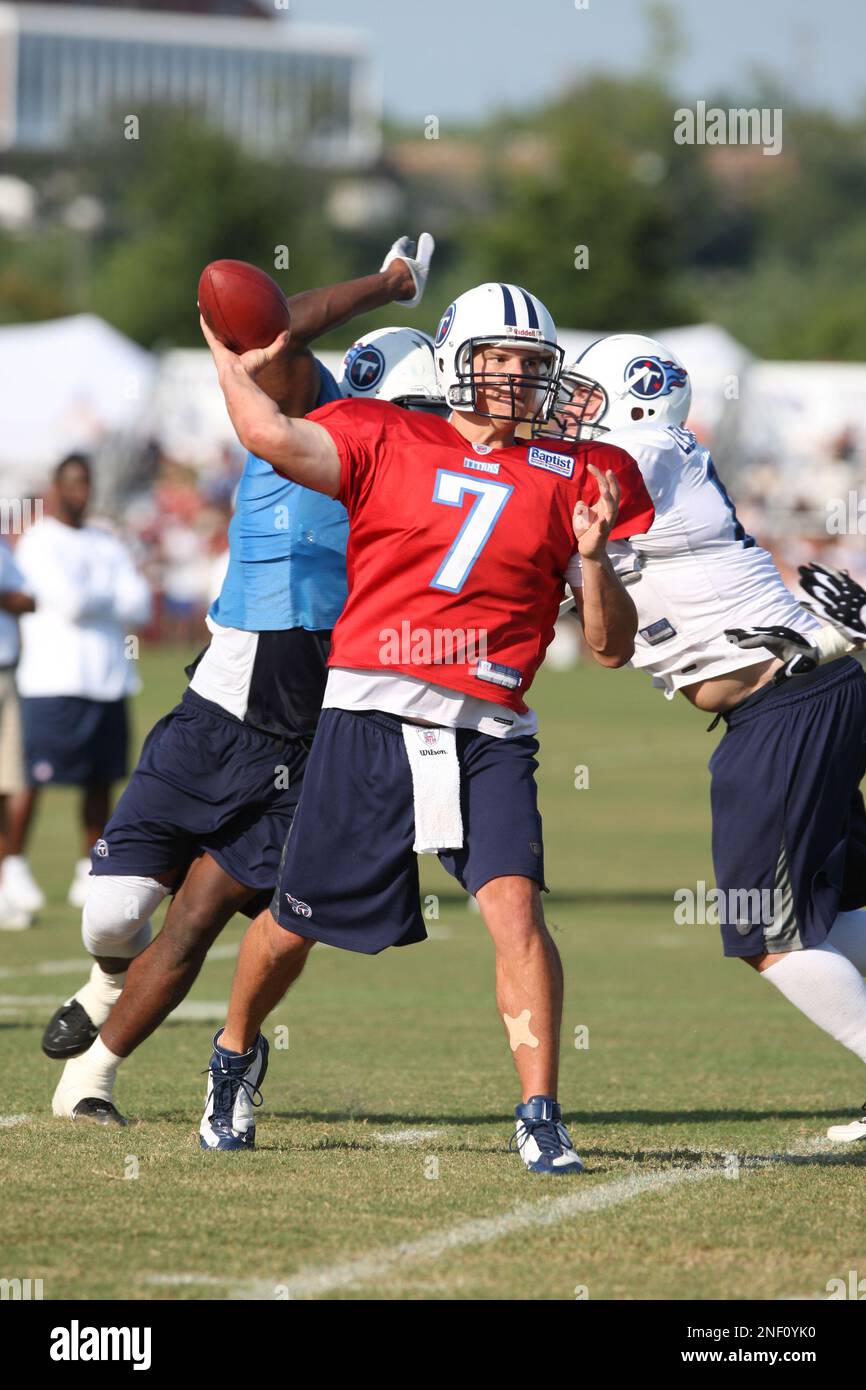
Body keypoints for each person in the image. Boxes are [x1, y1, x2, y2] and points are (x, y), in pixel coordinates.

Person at [195, 281, 656, 1173]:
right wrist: (230, 355)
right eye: (500, 360)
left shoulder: (578, 475)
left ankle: (540, 1112)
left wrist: (594, 562)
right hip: (371, 709)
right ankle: (233, 1054)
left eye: (531, 364)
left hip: (489, 728)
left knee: (516, 911)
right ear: (457, 361)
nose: (517, 379)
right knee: (294, 923)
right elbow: (267, 435)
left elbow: (608, 648)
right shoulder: (386, 433)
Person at [49, 236, 441, 1124]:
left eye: (427, 415)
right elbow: (273, 333)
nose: (413, 433)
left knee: (204, 913)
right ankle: (111, 979)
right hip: (221, 703)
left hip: (317, 729)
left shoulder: (447, 470)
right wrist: (388, 285)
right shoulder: (318, 420)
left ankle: (93, 1078)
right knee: (112, 915)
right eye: (402, 412)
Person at [539, 333, 866, 1145]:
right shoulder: (639, 468)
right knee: (841, 907)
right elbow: (608, 647)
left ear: (636, 397)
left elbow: (571, 486)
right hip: (800, 694)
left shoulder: (644, 448)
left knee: (764, 929)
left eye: (584, 397)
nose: (567, 411)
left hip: (784, 699)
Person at [5, 455, 151, 913]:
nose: (80, 492)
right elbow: (67, 602)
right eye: (72, 483)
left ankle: (89, 868)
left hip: (107, 678)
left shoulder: (105, 540)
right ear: (56, 486)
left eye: (86, 483)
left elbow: (141, 603)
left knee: (100, 780)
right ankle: (13, 866)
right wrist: (108, 594)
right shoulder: (40, 541)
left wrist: (100, 595)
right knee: (33, 777)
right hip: (53, 679)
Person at [0, 538, 36, 930]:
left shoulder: (4, 548)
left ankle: (4, 885)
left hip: (7, 673)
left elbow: (29, 600)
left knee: (7, 785)